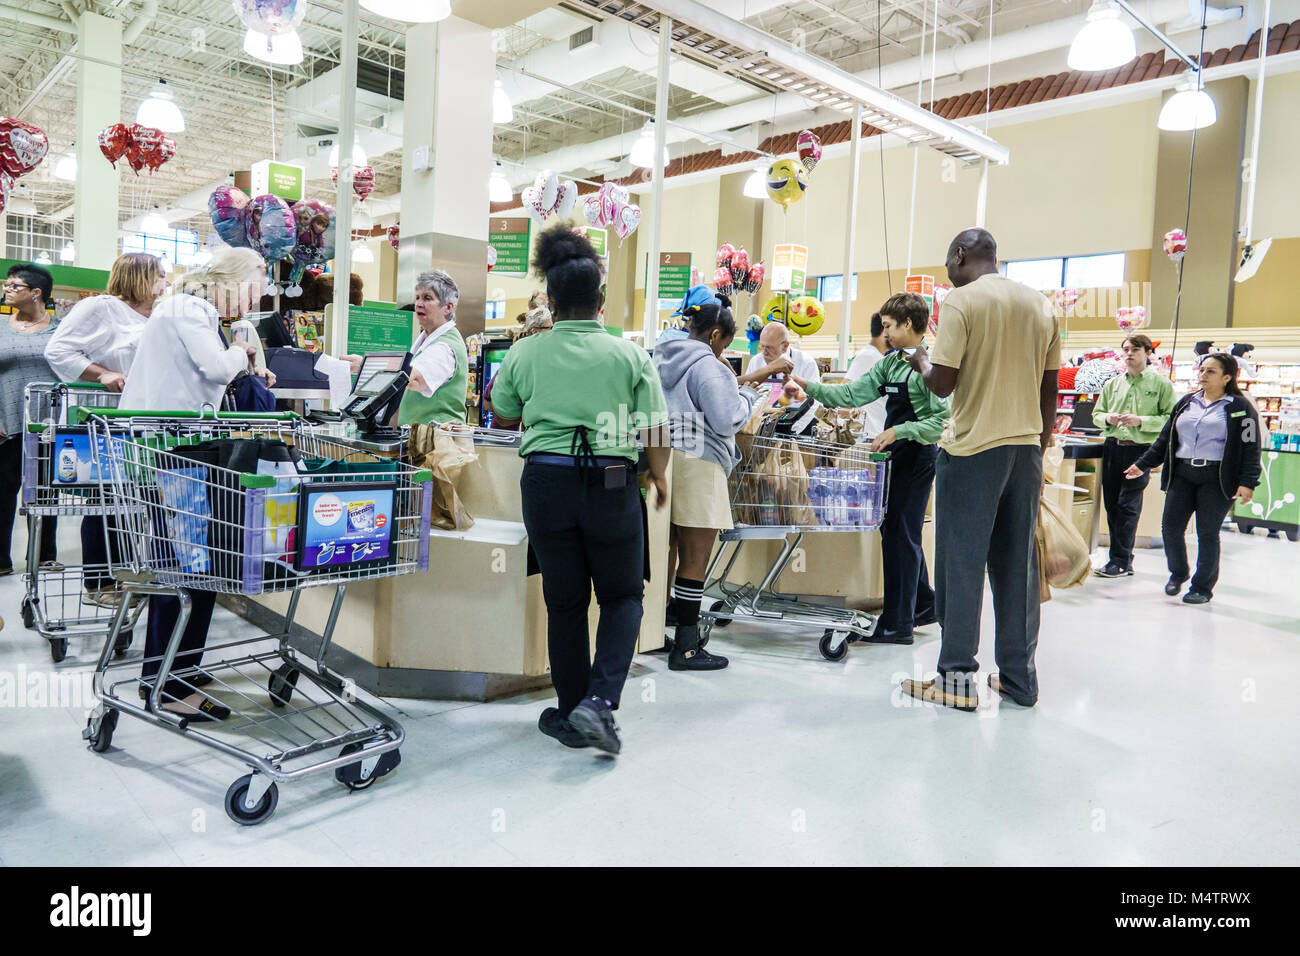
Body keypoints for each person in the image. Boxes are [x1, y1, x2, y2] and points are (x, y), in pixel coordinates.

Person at [487, 226, 669, 755]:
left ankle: (570, 713)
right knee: (622, 596)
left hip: (545, 484)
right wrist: (657, 477)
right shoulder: (629, 357)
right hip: (612, 485)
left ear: (551, 301)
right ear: (601, 301)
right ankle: (601, 703)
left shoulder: (524, 354)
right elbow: (656, 429)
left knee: (564, 603)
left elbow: (504, 412)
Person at [902, 228, 1060, 712]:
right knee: (1017, 569)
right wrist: (1039, 442)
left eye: (948, 261)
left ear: (960, 255)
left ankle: (954, 680)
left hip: (972, 452)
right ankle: (1018, 679)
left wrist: (921, 359)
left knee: (960, 566)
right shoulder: (1041, 304)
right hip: (1025, 450)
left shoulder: (960, 301)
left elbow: (944, 385)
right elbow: (1049, 388)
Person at [122, 247, 274, 721]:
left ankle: (171, 669)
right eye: (256, 286)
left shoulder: (185, 311)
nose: (255, 301)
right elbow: (215, 367)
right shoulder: (191, 308)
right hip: (175, 453)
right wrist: (242, 351)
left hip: (166, 450)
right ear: (232, 279)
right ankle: (171, 686)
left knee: (184, 566)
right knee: (193, 570)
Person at [794, 292, 949, 644]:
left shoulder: (932, 365)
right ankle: (923, 604)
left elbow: (942, 422)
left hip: (919, 457)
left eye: (891, 326)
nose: (886, 333)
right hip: (894, 458)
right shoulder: (891, 363)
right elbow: (853, 394)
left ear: (909, 324)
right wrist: (810, 387)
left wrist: (898, 430)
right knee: (896, 532)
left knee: (900, 535)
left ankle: (897, 625)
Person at [45, 252, 168, 604]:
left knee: (138, 499)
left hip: (145, 422)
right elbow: (59, 351)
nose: (166, 283)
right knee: (107, 500)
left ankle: (128, 575)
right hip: (104, 421)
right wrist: (102, 374)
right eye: (160, 275)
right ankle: (98, 583)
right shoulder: (101, 307)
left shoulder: (160, 316)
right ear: (139, 276)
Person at [653, 289, 758, 671]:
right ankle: (686, 646)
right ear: (715, 334)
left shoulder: (659, 358)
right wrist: (747, 396)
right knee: (695, 558)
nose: (724, 352)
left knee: (666, 549)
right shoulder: (709, 366)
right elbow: (727, 419)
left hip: (662, 458)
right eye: (725, 344)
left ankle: (653, 633)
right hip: (700, 460)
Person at [1125, 352, 1260, 605]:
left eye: (1210, 371)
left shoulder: (1241, 409)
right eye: (1201, 370)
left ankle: (1202, 587)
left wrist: (1248, 482)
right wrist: (1142, 465)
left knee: (1207, 533)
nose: (1202, 375)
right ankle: (1179, 573)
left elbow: (1251, 447)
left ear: (1227, 377)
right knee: (1170, 528)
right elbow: (1164, 440)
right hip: (1182, 475)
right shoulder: (1186, 403)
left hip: (1217, 478)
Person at [1091, 333, 1174, 578]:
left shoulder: (1161, 385)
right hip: (1112, 446)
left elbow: (1170, 419)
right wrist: (1108, 418)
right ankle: (1124, 559)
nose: (1128, 354)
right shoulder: (1113, 384)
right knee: (1112, 505)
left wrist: (1142, 421)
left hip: (1140, 451)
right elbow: (1097, 413)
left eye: (1134, 349)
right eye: (1125, 349)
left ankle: (1118, 560)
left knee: (1128, 505)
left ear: (1148, 353)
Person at [0, 264, 59, 575]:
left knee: (46, 490)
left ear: (36, 293)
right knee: (2, 489)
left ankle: (44, 555)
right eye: (7, 284)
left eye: (15, 286)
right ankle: (0, 559)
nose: (7, 289)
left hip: (49, 422)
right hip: (5, 420)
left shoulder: (60, 329)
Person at [396, 270, 469, 425]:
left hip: (438, 442)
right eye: (417, 298)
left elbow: (413, 380)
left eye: (427, 298)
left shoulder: (445, 347)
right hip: (420, 440)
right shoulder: (425, 340)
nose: (419, 304)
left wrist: (367, 366)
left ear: (448, 308)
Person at [843, 311, 890, 436]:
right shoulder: (868, 356)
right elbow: (845, 393)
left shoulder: (877, 357)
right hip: (870, 435)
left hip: (878, 434)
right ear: (883, 331)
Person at [739, 320, 820, 387]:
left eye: (769, 348)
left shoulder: (806, 363)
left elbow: (815, 403)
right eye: (762, 347)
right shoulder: (755, 361)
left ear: (785, 346)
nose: (764, 353)